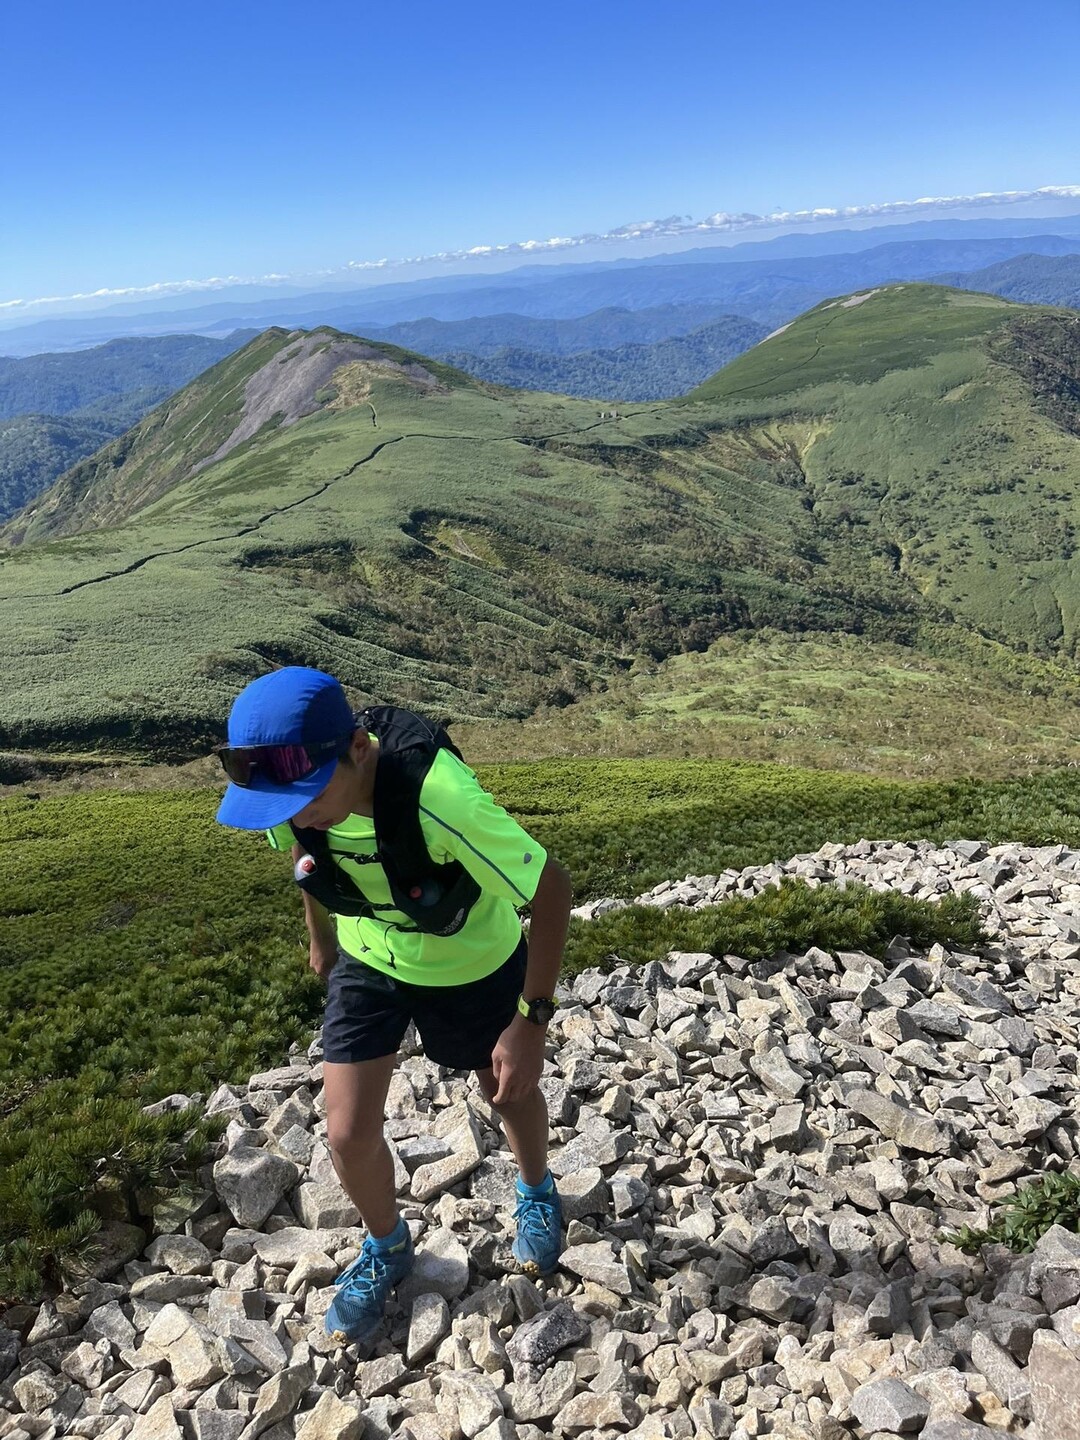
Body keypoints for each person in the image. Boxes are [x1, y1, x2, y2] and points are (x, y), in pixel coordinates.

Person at [214, 666, 571, 1346]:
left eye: (307, 798)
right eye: (282, 807)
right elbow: (304, 857)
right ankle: (387, 1245)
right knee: (346, 1133)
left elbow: (551, 887)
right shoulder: (289, 794)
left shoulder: (439, 798)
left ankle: (535, 1191)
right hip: (368, 954)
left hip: (470, 959)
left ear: (357, 748)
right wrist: (321, 936)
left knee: (507, 1089)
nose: (296, 815)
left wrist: (531, 1022)